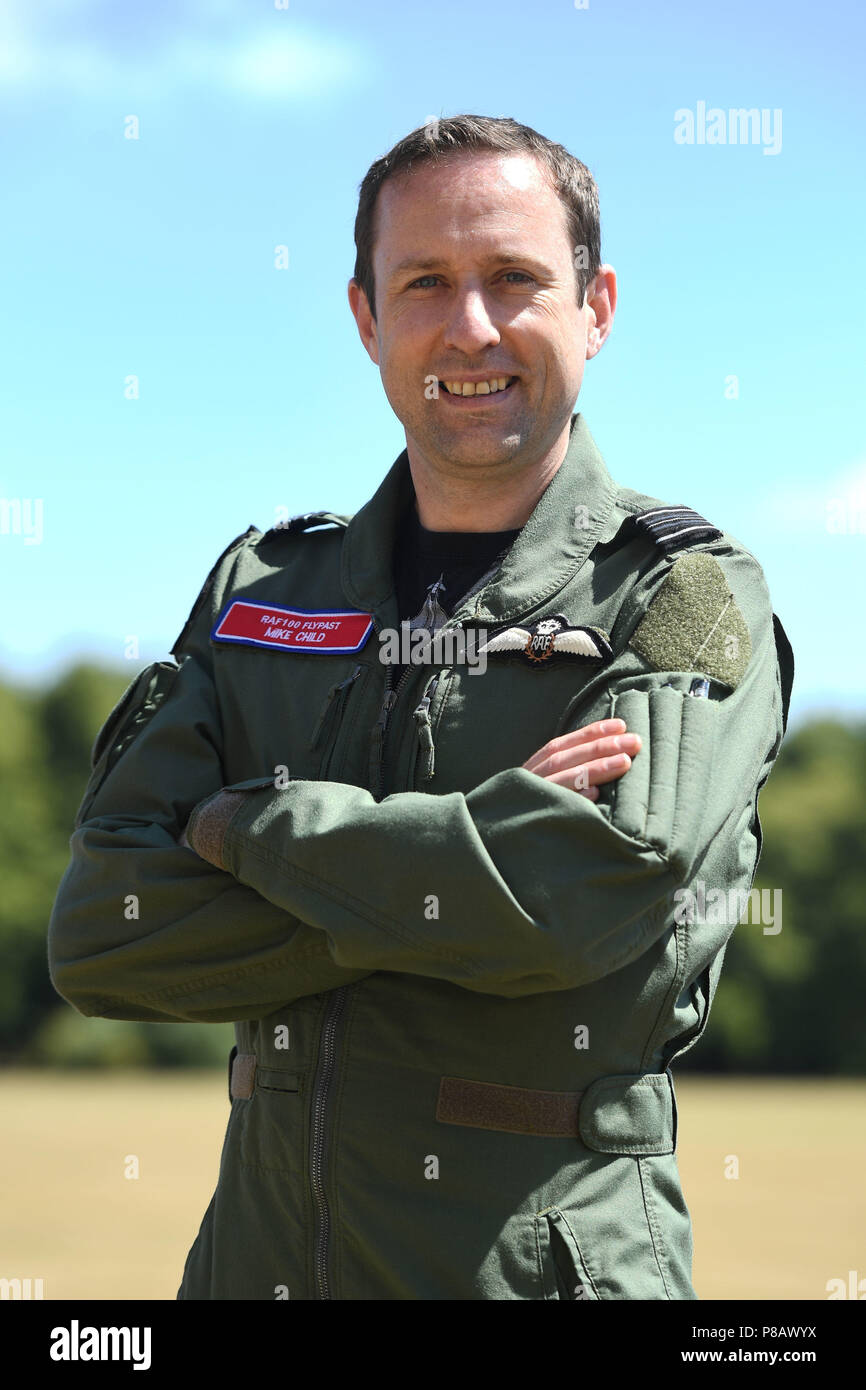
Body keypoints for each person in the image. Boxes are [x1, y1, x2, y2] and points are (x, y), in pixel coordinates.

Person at [48, 114, 793, 1300]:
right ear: (366, 319)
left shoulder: (681, 594)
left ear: (596, 306)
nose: (471, 327)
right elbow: (102, 931)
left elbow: (580, 895)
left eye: (514, 278)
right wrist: (464, 862)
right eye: (426, 283)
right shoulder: (261, 594)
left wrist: (253, 835)